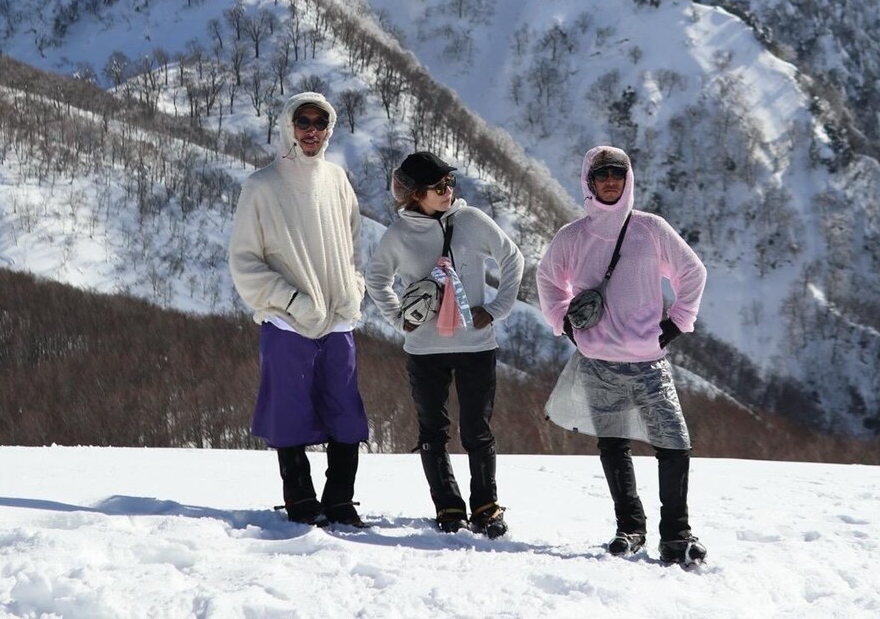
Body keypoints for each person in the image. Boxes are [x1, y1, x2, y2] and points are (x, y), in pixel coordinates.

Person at [535, 145, 709, 565]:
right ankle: (630, 528)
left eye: (618, 172)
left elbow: (693, 273)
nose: (610, 180)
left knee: (674, 445)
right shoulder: (573, 236)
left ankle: (676, 535)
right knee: (614, 445)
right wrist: (565, 324)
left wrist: (676, 324)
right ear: (588, 182)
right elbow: (547, 278)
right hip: (599, 362)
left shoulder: (650, 229)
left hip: (649, 361)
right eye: (602, 174)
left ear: (628, 179)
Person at [229, 92, 370, 528]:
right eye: (303, 121)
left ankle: (340, 500)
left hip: (339, 318)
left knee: (346, 412)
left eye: (320, 123)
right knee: (289, 413)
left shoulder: (336, 178)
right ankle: (301, 500)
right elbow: (244, 261)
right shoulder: (261, 186)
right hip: (287, 322)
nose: (311, 130)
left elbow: (355, 243)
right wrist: (292, 302)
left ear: (329, 129)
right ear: (288, 125)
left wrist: (354, 289)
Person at [366, 151, 525, 536]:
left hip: (476, 345)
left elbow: (512, 258)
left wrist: (498, 308)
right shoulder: (399, 235)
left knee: (477, 430)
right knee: (433, 432)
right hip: (425, 350)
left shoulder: (471, 220)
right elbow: (376, 278)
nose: (448, 190)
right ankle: (449, 509)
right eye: (438, 186)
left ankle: (486, 508)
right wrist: (399, 320)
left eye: (451, 182)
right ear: (416, 194)